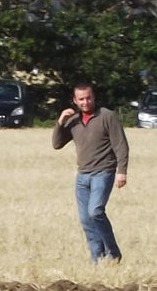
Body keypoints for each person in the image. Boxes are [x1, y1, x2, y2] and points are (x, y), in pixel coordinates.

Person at [51, 81, 129, 262]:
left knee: (95, 211)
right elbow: (56, 144)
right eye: (81, 99)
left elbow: (121, 145)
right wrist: (60, 122)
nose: (85, 102)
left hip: (103, 172)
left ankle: (113, 253)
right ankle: (97, 258)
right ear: (75, 100)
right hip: (82, 175)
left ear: (94, 97)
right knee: (86, 220)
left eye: (88, 98)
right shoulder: (73, 121)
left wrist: (121, 171)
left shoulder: (107, 116)